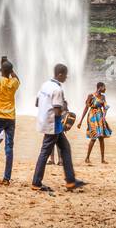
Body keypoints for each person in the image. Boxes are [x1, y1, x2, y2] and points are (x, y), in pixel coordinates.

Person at [32, 64, 85, 192]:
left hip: (45, 121)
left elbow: (37, 103)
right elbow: (57, 112)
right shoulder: (57, 90)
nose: (66, 78)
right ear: (60, 74)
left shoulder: (45, 85)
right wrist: (65, 112)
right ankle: (36, 182)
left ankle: (71, 181)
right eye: (65, 75)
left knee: (65, 148)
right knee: (45, 152)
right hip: (53, 125)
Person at [78, 81, 111, 164]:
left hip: (100, 117)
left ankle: (102, 159)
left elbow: (105, 108)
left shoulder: (103, 97)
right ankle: (87, 158)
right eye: (104, 87)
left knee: (101, 138)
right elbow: (86, 108)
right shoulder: (91, 96)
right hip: (92, 117)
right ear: (100, 87)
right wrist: (80, 121)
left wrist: (104, 116)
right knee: (94, 136)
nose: (105, 89)